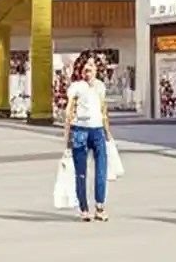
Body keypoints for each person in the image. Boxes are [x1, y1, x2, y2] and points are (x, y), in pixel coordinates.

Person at [64, 51, 111, 222]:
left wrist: (108, 133)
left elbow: (103, 110)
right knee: (81, 172)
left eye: (92, 64)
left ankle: (100, 206)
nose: (89, 67)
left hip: (97, 131)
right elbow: (69, 112)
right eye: (86, 65)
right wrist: (67, 137)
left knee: (101, 169)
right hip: (79, 131)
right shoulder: (76, 86)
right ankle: (84, 208)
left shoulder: (100, 86)